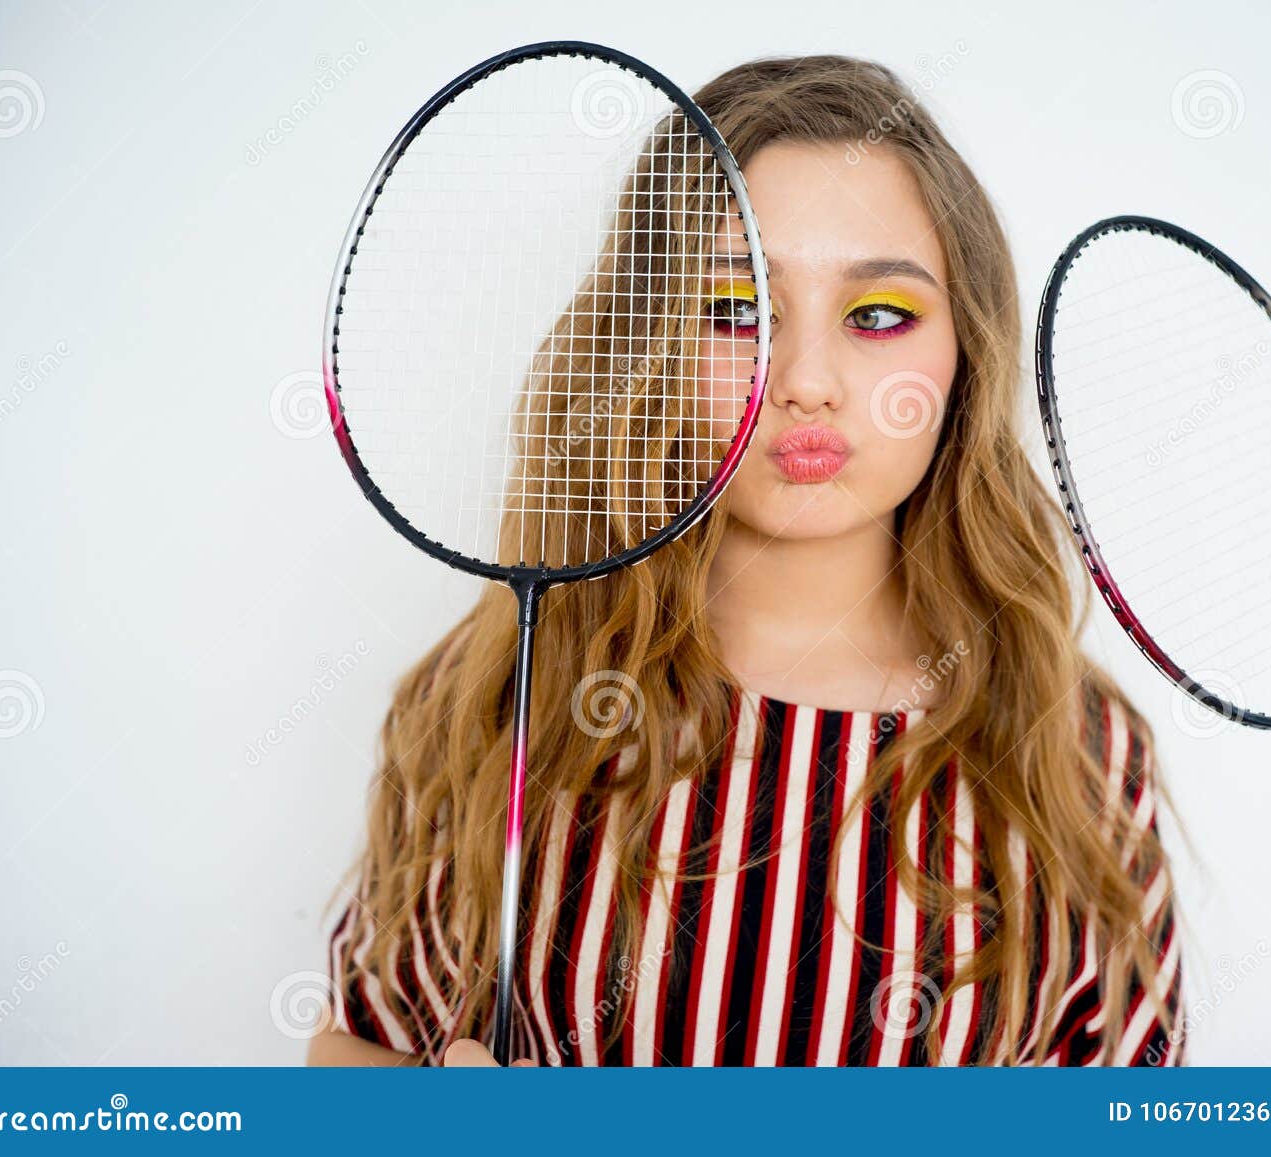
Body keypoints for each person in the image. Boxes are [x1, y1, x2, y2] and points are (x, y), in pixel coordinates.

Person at [308, 53, 1184, 1068]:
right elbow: (363, 1044)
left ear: (965, 351)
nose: (806, 380)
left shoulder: (1078, 755)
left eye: (879, 315)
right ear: (646, 340)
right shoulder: (508, 698)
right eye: (733, 309)